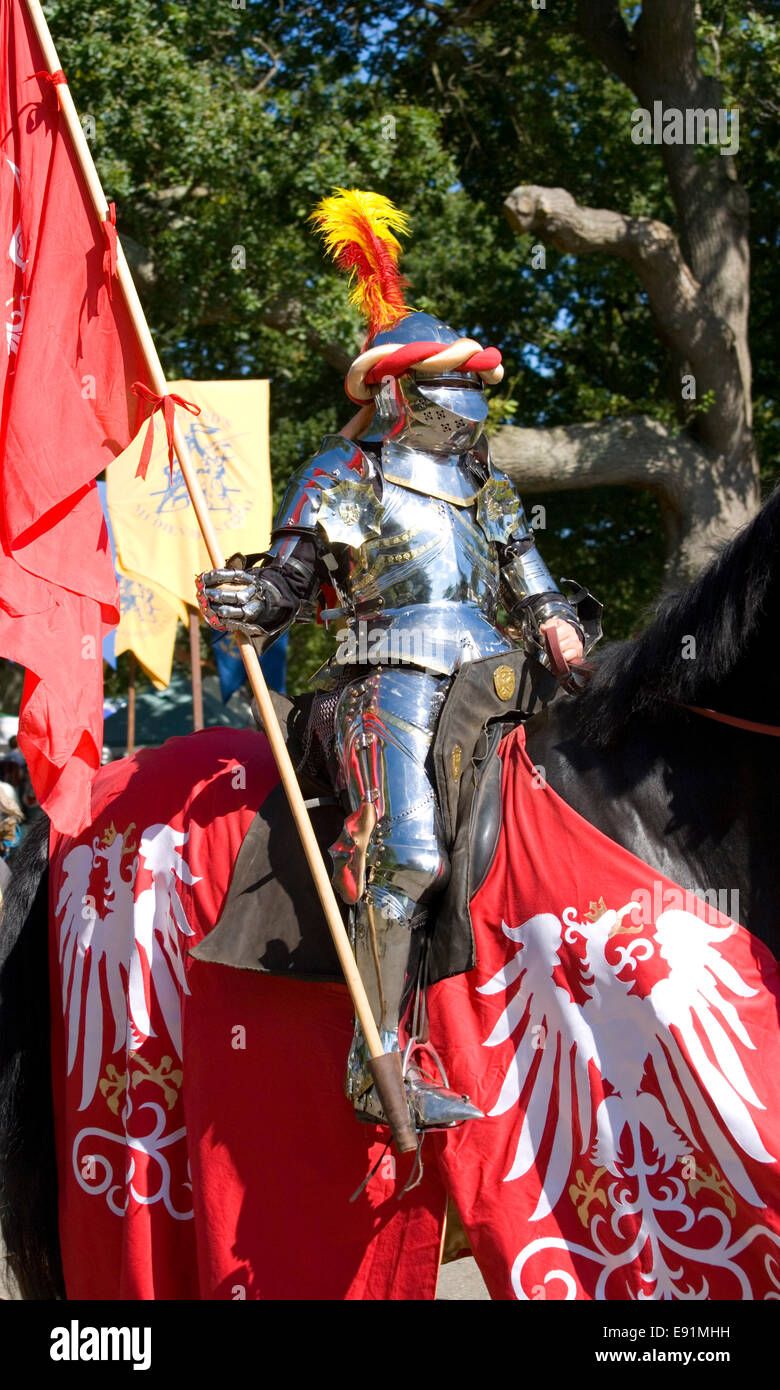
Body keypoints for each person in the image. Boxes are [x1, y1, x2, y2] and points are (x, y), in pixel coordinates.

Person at [197, 190, 600, 1132]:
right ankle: (376, 1060)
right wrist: (254, 602)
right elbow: (291, 581)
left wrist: (561, 632)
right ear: (401, 393)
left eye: (474, 396)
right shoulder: (344, 474)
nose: (469, 412)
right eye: (451, 393)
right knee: (407, 856)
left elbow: (534, 586)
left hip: (491, 679)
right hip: (385, 677)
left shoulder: (490, 488)